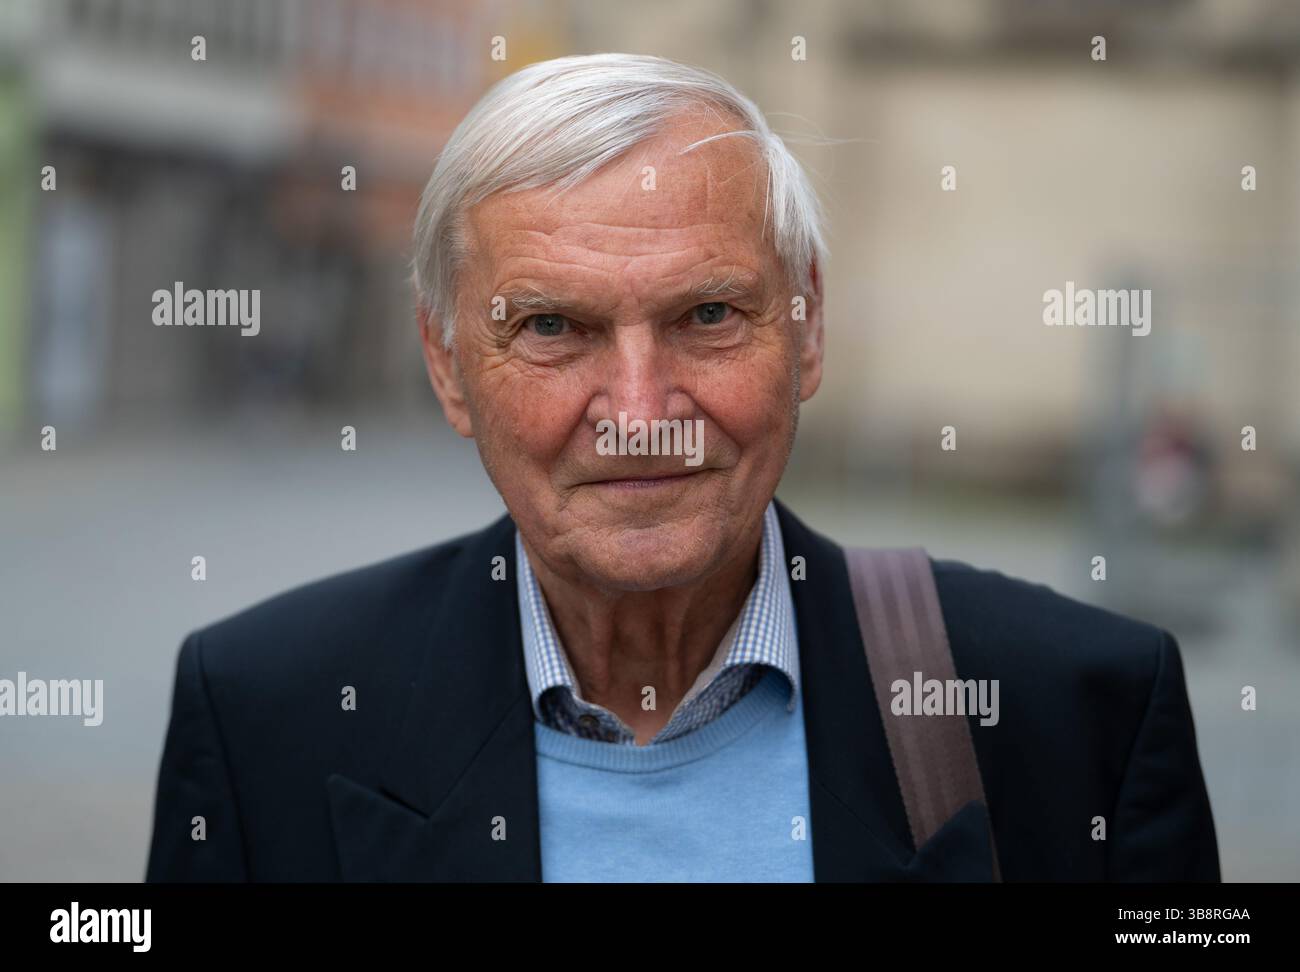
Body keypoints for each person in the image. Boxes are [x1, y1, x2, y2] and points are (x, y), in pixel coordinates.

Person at [146, 53, 1218, 882]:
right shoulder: (263, 716)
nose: (641, 414)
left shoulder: (1078, 713)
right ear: (448, 364)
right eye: (554, 327)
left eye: (708, 314)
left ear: (805, 330)